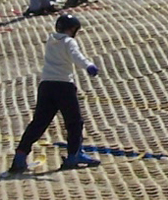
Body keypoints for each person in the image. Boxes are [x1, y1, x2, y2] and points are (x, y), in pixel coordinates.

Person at [7, 14, 102, 173]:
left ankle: (20, 155)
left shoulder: (51, 40)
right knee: (74, 122)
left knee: (39, 122)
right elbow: (76, 56)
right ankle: (74, 154)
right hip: (64, 86)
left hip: (46, 85)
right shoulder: (69, 41)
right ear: (72, 29)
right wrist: (89, 66)